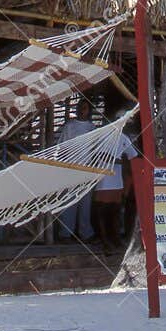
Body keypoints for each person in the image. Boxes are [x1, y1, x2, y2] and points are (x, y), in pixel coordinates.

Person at [57, 99, 97, 242]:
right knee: (69, 202)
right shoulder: (70, 127)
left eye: (85, 108)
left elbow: (96, 151)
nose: (82, 110)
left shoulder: (93, 129)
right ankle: (66, 233)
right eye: (80, 107)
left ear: (89, 110)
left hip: (87, 170)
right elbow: (61, 148)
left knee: (85, 204)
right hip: (71, 169)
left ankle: (85, 233)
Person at [92, 124, 137, 249]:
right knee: (101, 211)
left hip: (117, 181)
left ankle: (115, 238)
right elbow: (97, 155)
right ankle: (104, 240)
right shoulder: (101, 138)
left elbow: (133, 156)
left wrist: (119, 162)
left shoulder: (123, 138)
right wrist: (116, 161)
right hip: (102, 180)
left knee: (115, 211)